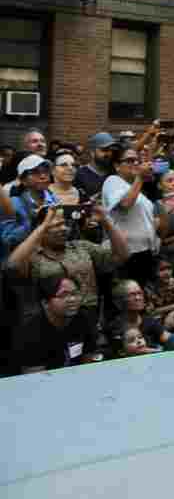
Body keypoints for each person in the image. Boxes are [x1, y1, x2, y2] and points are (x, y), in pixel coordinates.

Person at [4, 203, 129, 334]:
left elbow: (122, 255)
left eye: (64, 224)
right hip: (50, 324)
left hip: (88, 319)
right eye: (56, 225)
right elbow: (12, 265)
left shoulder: (82, 247)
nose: (64, 228)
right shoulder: (32, 256)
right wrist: (44, 225)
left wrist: (105, 220)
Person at [12, 276, 101, 374]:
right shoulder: (30, 333)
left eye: (75, 293)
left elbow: (89, 361)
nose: (72, 299)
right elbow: (34, 378)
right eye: (63, 295)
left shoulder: (82, 319)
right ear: (45, 303)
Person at [102, 147, 160, 286]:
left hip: (145, 253)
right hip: (126, 256)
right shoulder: (112, 181)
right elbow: (125, 204)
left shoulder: (135, 187)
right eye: (129, 160)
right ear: (116, 166)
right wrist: (140, 177)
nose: (135, 163)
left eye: (137, 160)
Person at [109, 278, 174, 351]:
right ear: (119, 301)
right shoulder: (114, 327)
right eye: (132, 295)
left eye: (140, 293)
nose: (138, 298)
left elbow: (172, 339)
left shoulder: (149, 321)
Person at [0, 155, 58, 252]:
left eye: (46, 172)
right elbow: (7, 239)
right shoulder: (14, 203)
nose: (43, 176)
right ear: (23, 180)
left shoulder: (54, 199)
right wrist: (34, 221)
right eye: (35, 172)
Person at [75, 132, 118, 197]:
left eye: (111, 150)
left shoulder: (114, 173)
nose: (109, 154)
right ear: (92, 152)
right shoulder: (80, 175)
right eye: (105, 150)